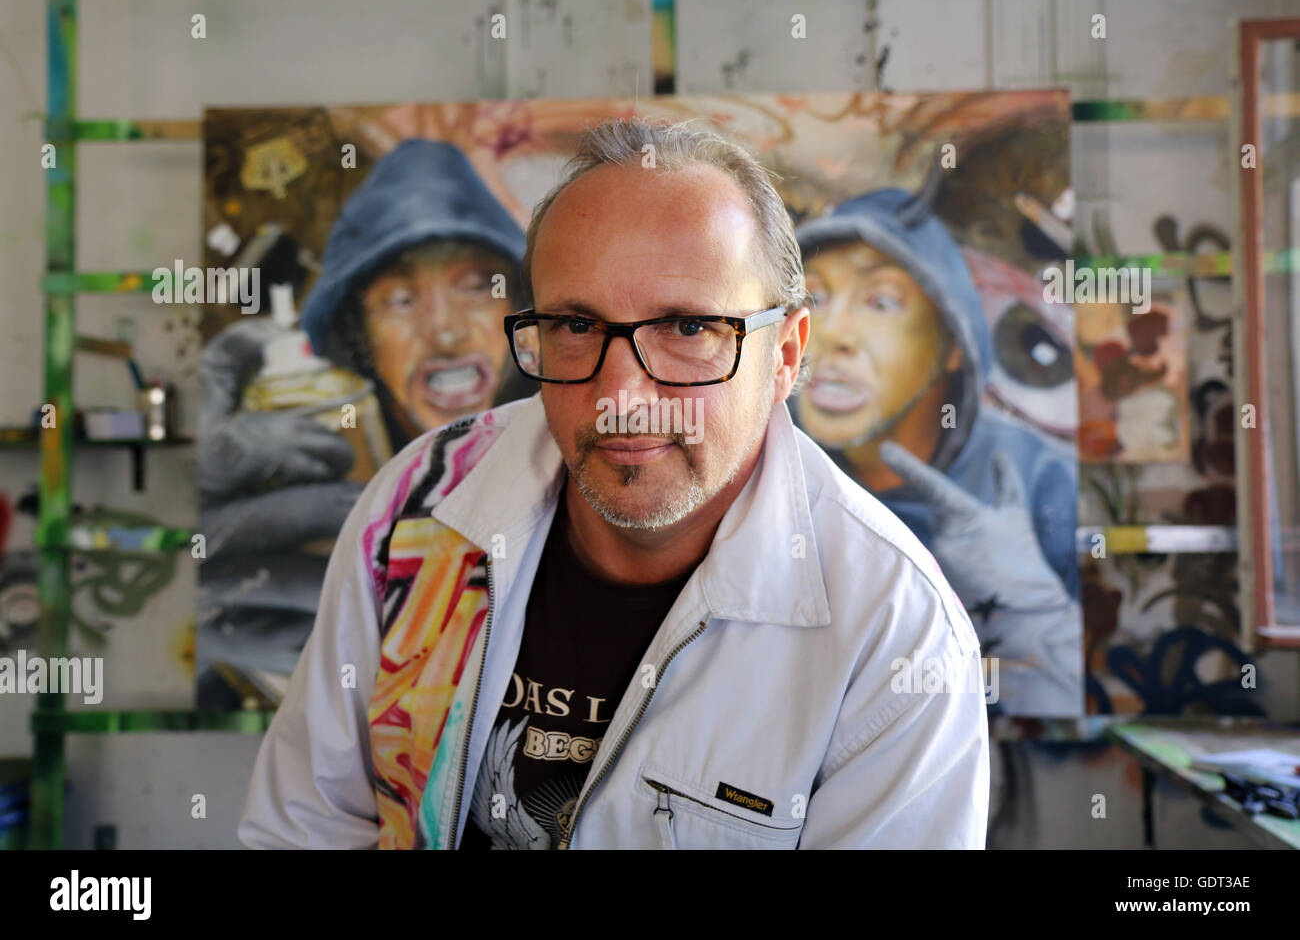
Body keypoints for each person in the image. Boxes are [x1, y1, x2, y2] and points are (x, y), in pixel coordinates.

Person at [238, 118, 989, 849]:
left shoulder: (898, 636)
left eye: (689, 328)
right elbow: (305, 825)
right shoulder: (419, 505)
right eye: (575, 325)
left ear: (786, 354)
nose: (621, 391)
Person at [196, 139, 531, 707]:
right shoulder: (318, 478)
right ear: (361, 342)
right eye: (400, 300)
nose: (446, 332)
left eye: (478, 286)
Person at [793, 184, 1082, 716]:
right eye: (814, 298)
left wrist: (1028, 605)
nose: (831, 334)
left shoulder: (1036, 479)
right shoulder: (758, 472)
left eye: (881, 302)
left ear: (952, 343)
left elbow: (1066, 701)